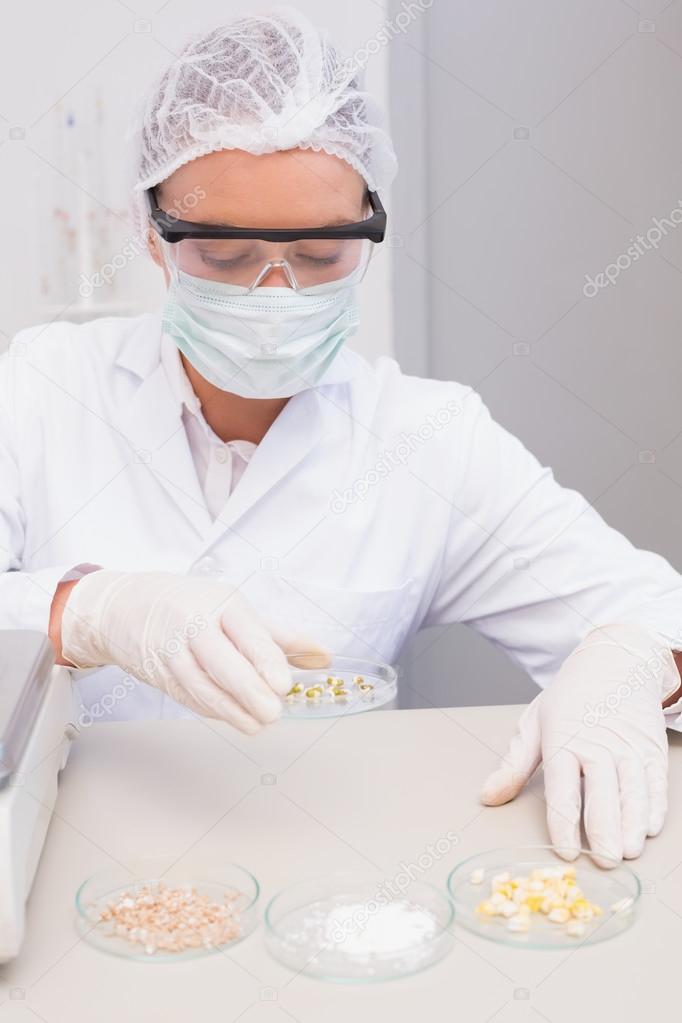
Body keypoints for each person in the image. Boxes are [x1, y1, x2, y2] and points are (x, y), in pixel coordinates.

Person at [2, 8, 681, 865]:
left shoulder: (427, 438)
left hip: (327, 879)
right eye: (224, 256)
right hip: (75, 877)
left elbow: (658, 612)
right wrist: (84, 611)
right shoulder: (41, 387)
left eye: (321, 254)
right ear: (150, 234)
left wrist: (626, 662)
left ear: (371, 228)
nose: (274, 292)